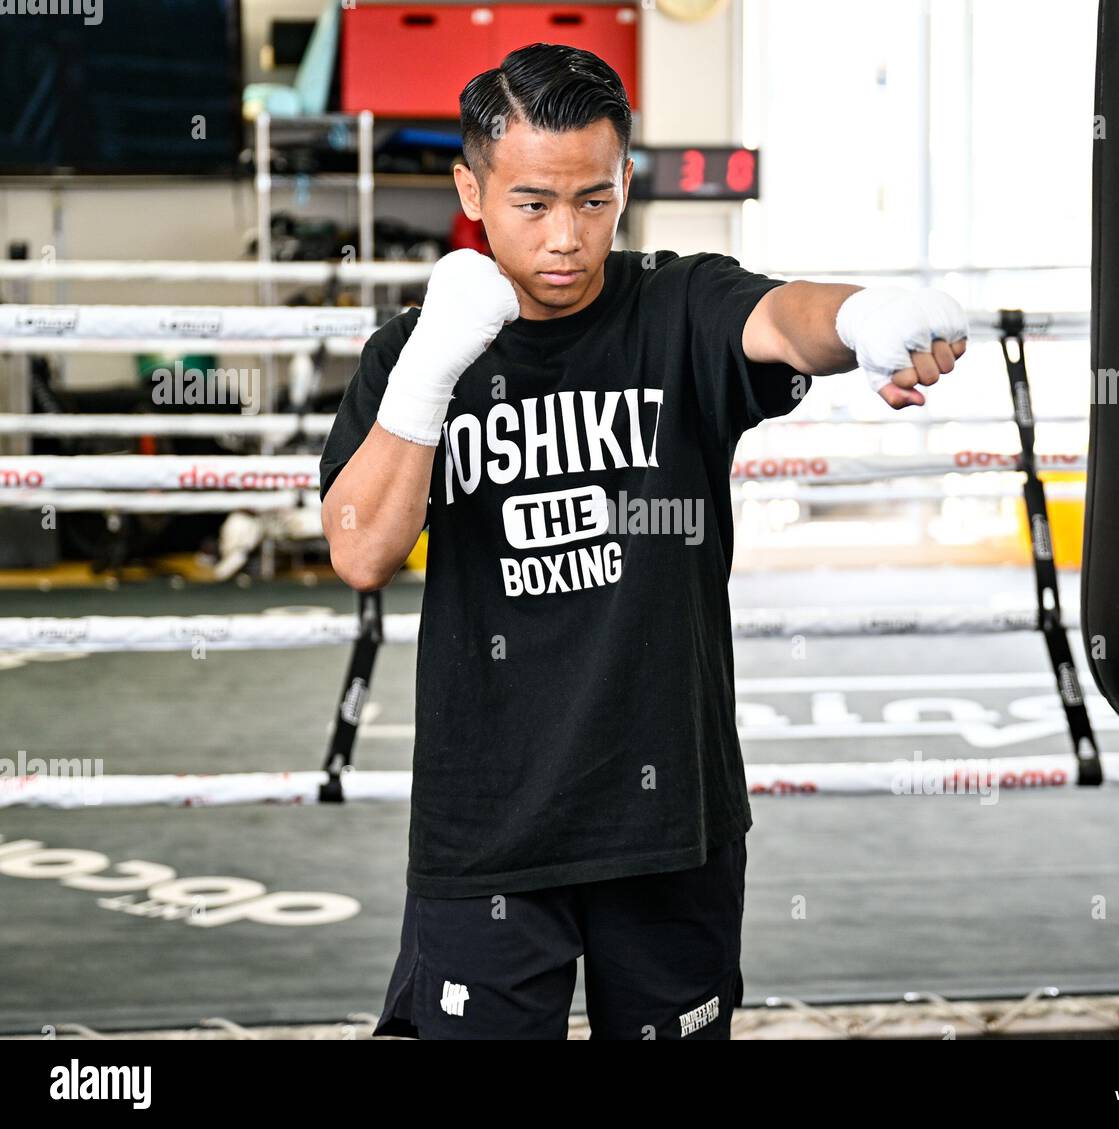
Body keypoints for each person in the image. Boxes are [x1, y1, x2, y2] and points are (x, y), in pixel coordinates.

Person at [319, 42, 967, 1040]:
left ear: (624, 183)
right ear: (471, 189)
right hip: (489, 826)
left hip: (669, 825)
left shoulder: (675, 306)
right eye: (532, 203)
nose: (568, 237)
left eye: (594, 198)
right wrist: (431, 369)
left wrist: (864, 314)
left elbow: (783, 322)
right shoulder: (414, 353)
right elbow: (361, 550)